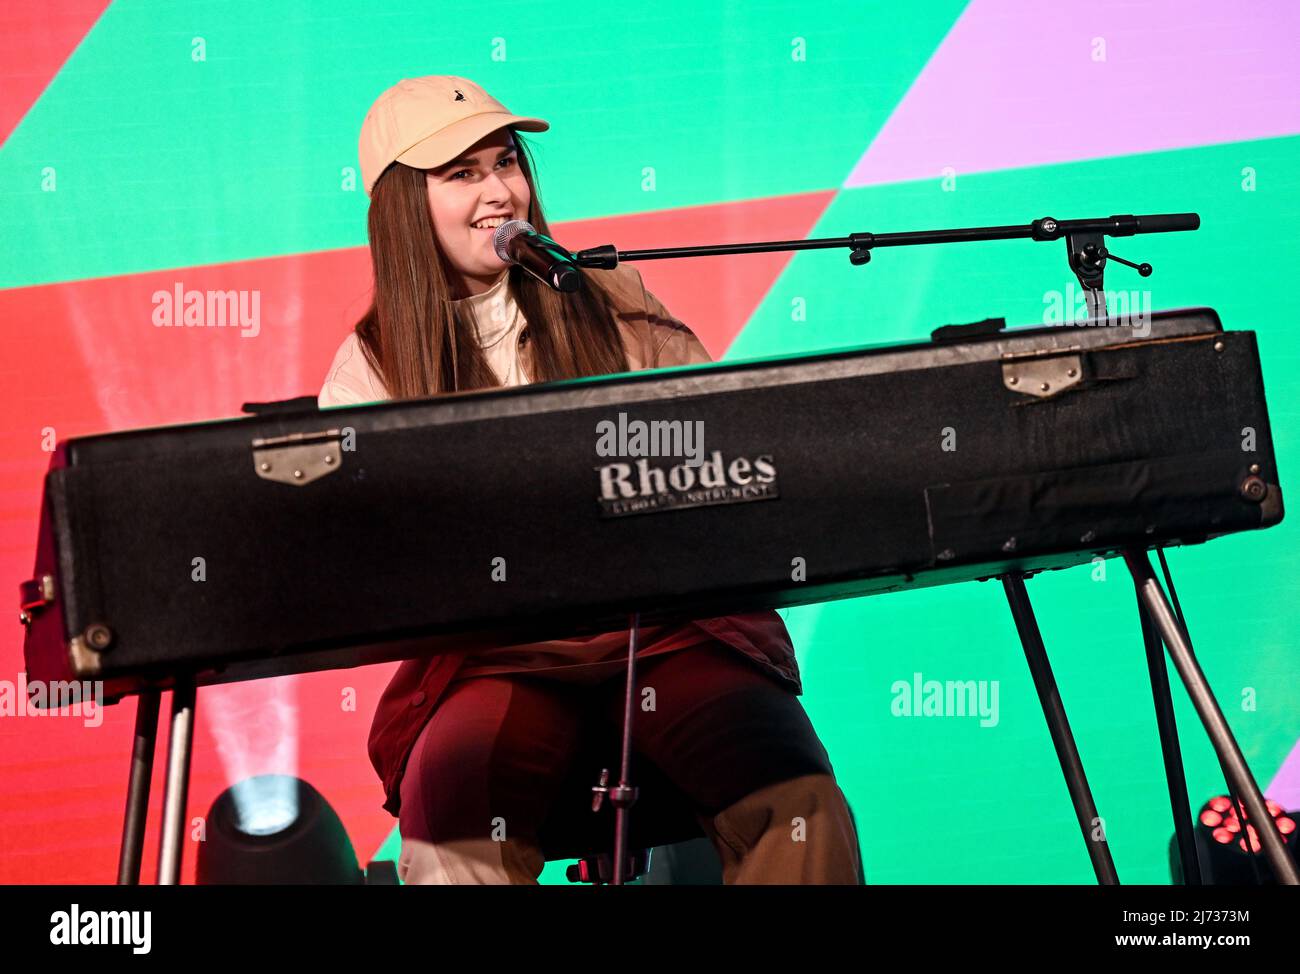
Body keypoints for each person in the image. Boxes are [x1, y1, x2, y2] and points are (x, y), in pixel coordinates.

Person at [319, 75, 862, 884]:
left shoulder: (612, 299)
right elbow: (373, 562)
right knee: (454, 846)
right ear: (402, 205)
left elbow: (725, 455)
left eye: (506, 164)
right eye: (462, 175)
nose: (501, 191)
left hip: (669, 631)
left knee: (800, 805)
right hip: (498, 656)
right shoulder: (367, 369)